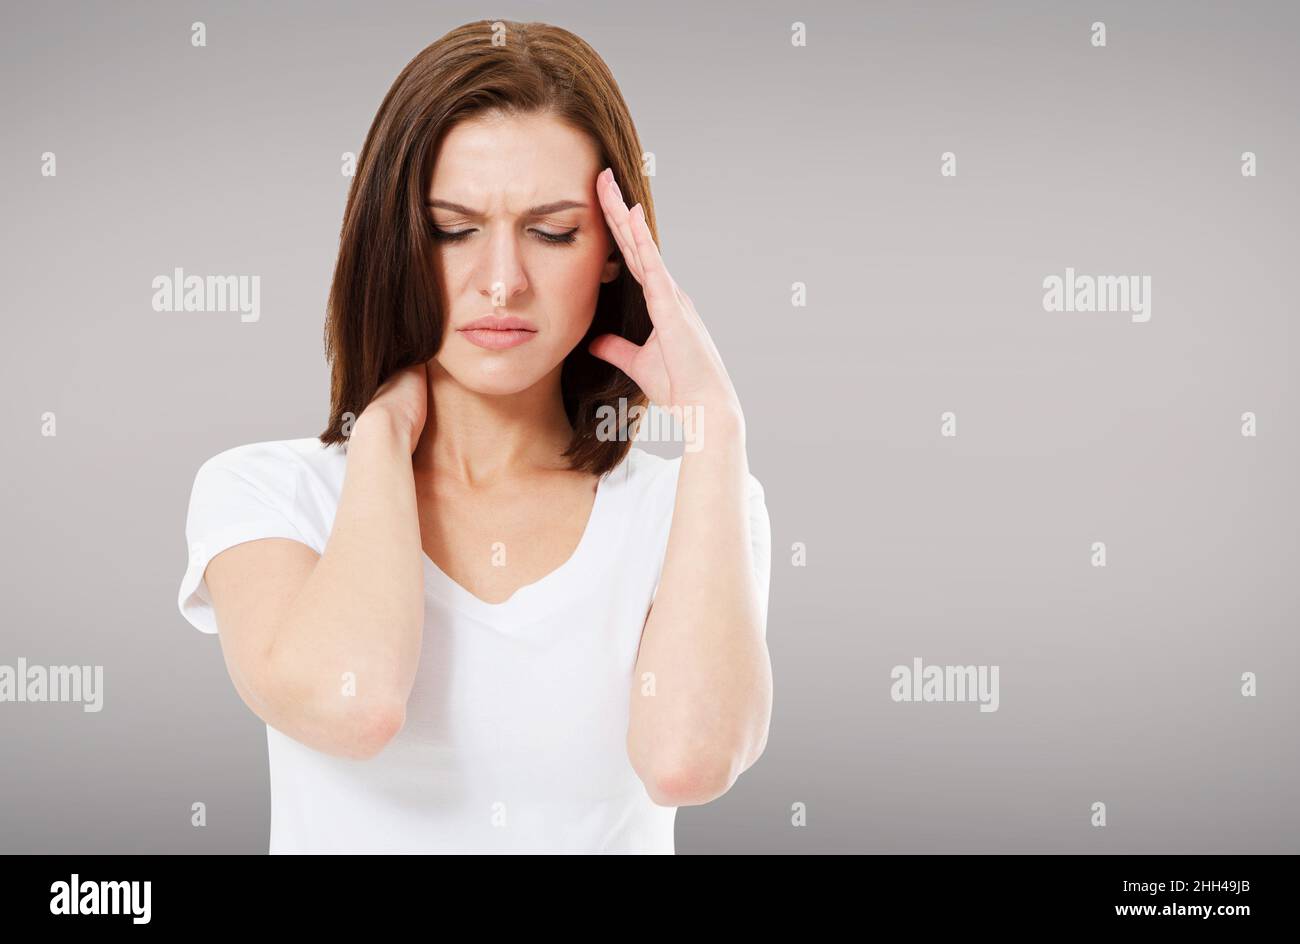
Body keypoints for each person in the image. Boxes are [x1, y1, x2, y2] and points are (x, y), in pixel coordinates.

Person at [177, 19, 772, 854]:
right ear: (396, 242)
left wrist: (719, 426)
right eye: (454, 228)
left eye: (553, 230)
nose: (502, 282)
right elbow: (357, 705)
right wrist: (381, 433)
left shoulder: (699, 504)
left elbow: (687, 763)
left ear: (613, 252)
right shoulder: (268, 494)